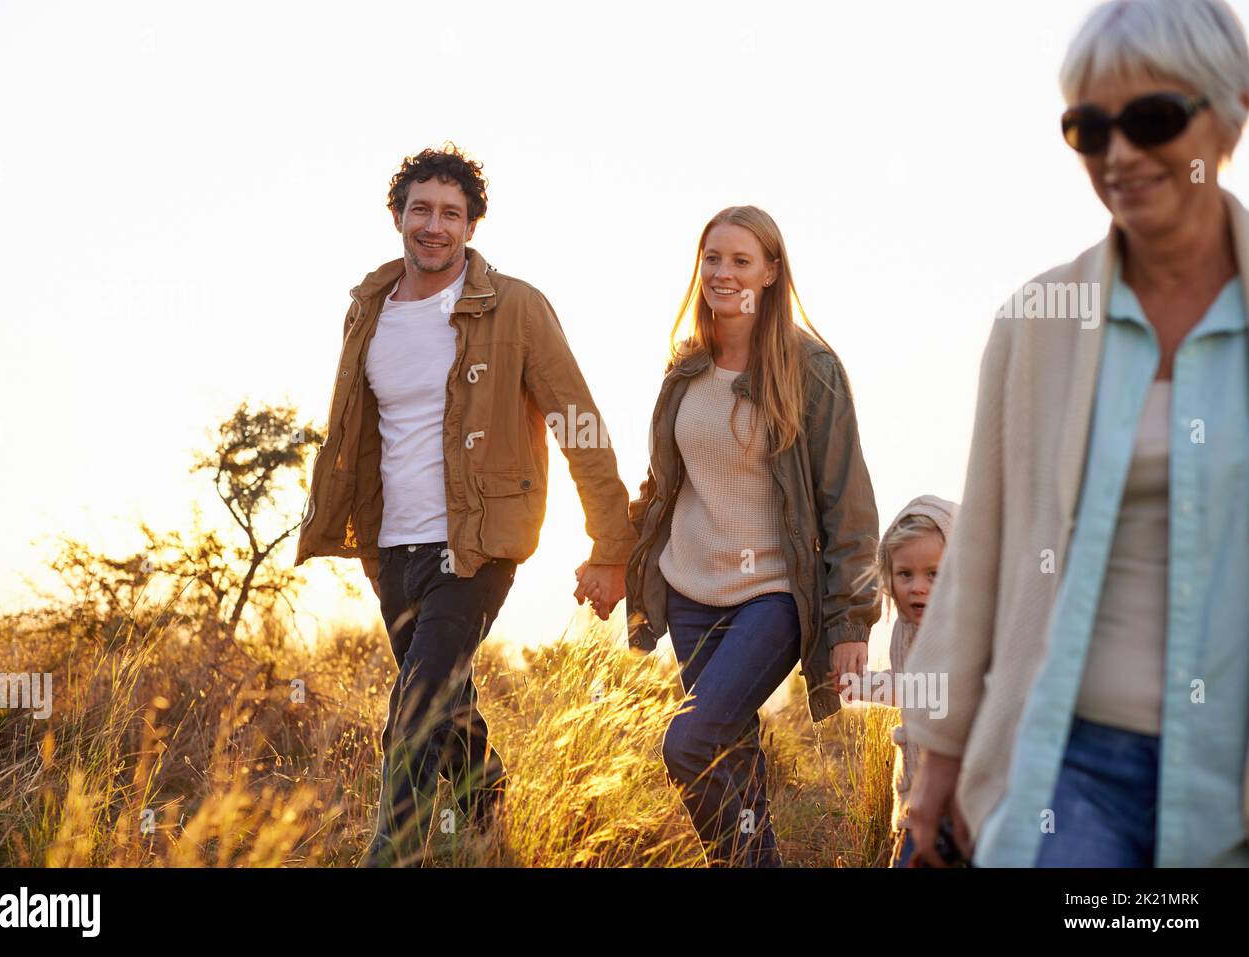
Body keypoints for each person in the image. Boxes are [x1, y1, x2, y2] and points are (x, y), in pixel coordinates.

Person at [903, 0, 1249, 867]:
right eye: (1090, 130)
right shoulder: (1036, 323)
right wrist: (937, 760)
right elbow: (978, 549)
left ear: (1232, 109)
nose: (1120, 154)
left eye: (1153, 118)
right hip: (1067, 773)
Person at [294, 144, 637, 866]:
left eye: (451, 213)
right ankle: (486, 805)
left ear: (472, 226)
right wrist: (352, 529)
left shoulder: (515, 308)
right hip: (393, 549)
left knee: (414, 715)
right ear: (397, 216)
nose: (434, 225)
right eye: (421, 209)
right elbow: (356, 428)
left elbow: (578, 421)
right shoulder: (368, 311)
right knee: (446, 706)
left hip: (479, 545)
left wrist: (612, 545)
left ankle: (392, 855)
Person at [611, 205, 881, 866]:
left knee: (689, 742)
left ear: (770, 271)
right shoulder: (684, 371)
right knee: (731, 747)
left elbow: (846, 501)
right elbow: (662, 485)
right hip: (691, 594)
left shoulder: (810, 368)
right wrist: (609, 556)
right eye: (712, 258)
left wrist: (850, 623)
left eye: (740, 260)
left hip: (773, 595)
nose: (723, 272)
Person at [840, 495, 961, 867]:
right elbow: (908, 685)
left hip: (959, 793)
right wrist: (857, 685)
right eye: (905, 574)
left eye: (933, 574)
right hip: (916, 786)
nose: (917, 587)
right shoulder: (904, 630)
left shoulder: (961, 630)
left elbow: (934, 691)